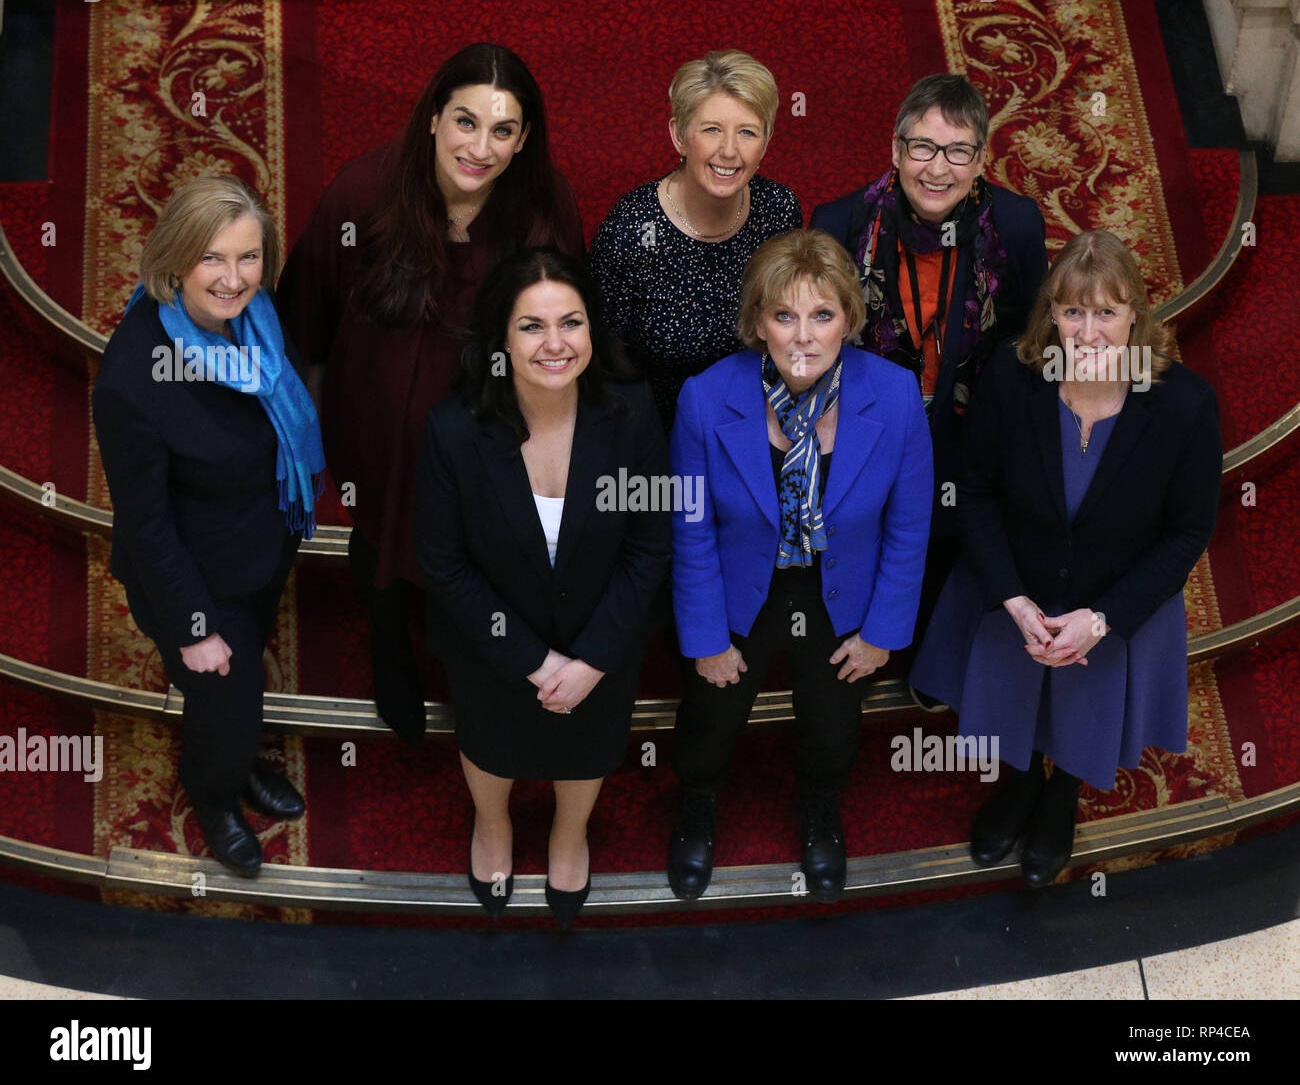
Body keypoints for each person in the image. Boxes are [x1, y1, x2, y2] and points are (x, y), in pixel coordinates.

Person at [277, 43, 585, 746]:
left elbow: (568, 322)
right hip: (378, 430)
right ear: (433, 120)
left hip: (492, 429)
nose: (480, 147)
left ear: (524, 138)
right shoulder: (362, 194)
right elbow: (305, 321)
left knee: (481, 551)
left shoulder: (544, 205)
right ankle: (391, 653)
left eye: (502, 129)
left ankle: (465, 651)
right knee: (381, 545)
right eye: (465, 122)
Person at [909, 230, 1222, 888]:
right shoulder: (1012, 377)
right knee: (1015, 693)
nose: (1088, 331)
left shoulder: (1184, 405)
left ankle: (1061, 797)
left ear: (1135, 313)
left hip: (1115, 600)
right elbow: (977, 493)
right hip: (1015, 585)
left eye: (1105, 312)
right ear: (1050, 312)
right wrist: (1014, 599)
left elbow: (1188, 533)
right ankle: (1021, 785)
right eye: (1073, 310)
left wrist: (1102, 620)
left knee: (1085, 703)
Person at [667, 229, 933, 903]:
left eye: (823, 315)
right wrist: (705, 638)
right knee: (711, 717)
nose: (804, 336)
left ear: (849, 317)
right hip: (742, 585)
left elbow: (908, 525)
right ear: (758, 321)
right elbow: (690, 528)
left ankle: (820, 807)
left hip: (840, 586)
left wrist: (881, 633)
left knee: (832, 718)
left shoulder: (896, 395)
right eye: (784, 315)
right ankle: (697, 802)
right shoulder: (704, 398)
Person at [413, 248, 671, 927]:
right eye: (531, 327)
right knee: (493, 743)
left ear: (593, 329)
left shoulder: (633, 414)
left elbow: (651, 546)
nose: (555, 344)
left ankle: (568, 834)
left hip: (601, 639)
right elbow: (442, 563)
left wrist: (590, 661)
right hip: (492, 644)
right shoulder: (454, 430)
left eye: (571, 323)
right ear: (500, 336)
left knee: (587, 745)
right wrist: (531, 660)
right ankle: (493, 826)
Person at [92, 176, 326, 878]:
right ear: (173, 263)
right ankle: (215, 791)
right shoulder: (133, 378)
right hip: (193, 580)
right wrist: (194, 627)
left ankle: (240, 757)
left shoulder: (256, 319)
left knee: (240, 689)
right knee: (222, 695)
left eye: (248, 258)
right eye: (212, 260)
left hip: (259, 543)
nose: (233, 280)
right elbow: (145, 524)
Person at [810, 74, 1047, 690]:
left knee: (949, 537)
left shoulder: (1017, 225)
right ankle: (862, 632)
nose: (938, 167)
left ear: (981, 158)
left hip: (969, 422)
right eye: (922, 147)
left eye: (958, 150)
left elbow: (1028, 333)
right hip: (869, 422)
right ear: (895, 149)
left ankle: (930, 659)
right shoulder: (838, 224)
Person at [589, 49, 802, 431]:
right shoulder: (632, 230)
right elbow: (605, 367)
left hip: (758, 426)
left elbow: (791, 333)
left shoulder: (779, 212)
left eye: (748, 132)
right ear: (679, 135)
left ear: (766, 142)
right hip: (658, 433)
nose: (729, 151)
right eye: (711, 129)